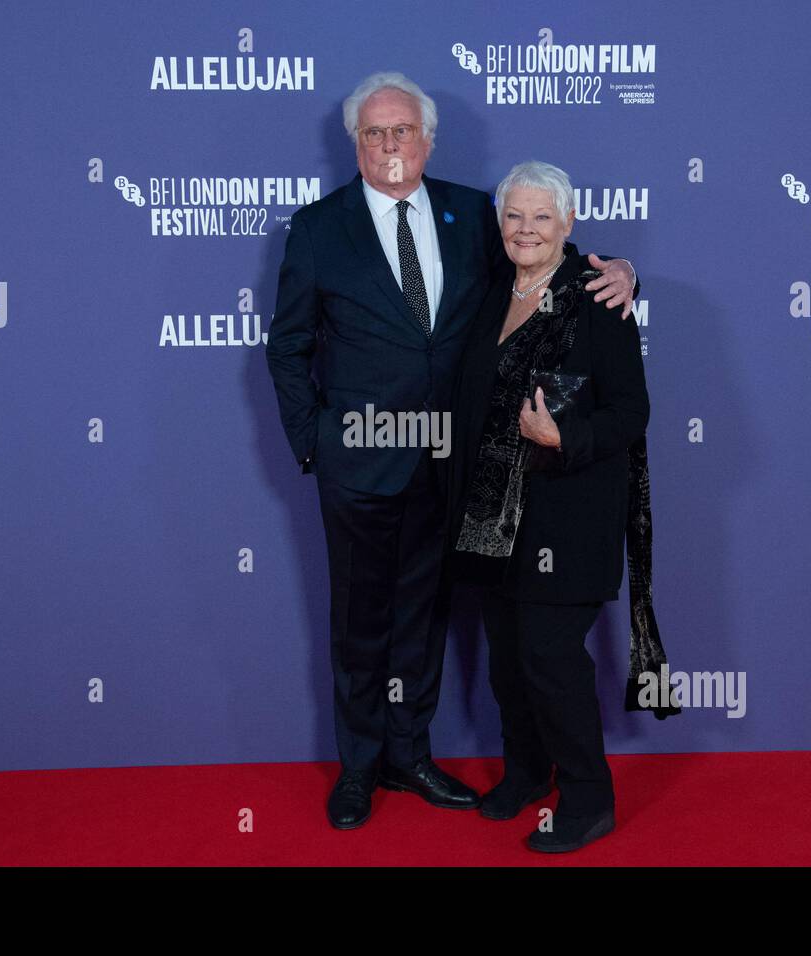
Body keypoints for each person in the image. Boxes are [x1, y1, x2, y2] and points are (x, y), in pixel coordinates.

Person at [266, 73, 639, 830]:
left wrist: (625, 271)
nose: (391, 144)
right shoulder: (316, 229)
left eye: (403, 130)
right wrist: (317, 446)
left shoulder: (474, 213)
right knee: (359, 623)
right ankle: (360, 766)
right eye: (375, 132)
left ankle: (410, 755)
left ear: (428, 140)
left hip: (453, 469)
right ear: (355, 144)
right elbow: (290, 346)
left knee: (424, 620)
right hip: (361, 465)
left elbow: (545, 263)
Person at [446, 160, 650, 853]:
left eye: (542, 217)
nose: (526, 229)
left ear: (568, 224)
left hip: (566, 520)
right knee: (507, 661)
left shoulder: (599, 300)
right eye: (514, 216)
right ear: (499, 225)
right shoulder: (489, 295)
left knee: (550, 660)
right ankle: (529, 774)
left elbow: (632, 410)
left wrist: (567, 435)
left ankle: (590, 799)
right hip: (490, 519)